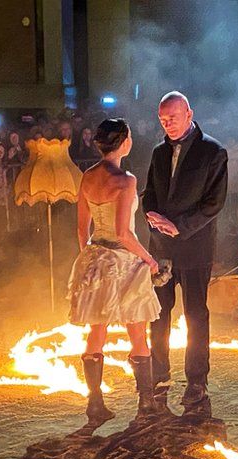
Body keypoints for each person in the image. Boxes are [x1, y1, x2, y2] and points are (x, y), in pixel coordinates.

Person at [67, 118, 161, 433]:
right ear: (123, 142)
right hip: (123, 262)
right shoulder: (125, 180)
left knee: (98, 330)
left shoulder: (88, 177)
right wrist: (148, 258)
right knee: (137, 331)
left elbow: (83, 229)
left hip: (96, 257)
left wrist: (89, 260)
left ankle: (95, 403)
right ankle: (146, 402)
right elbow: (123, 233)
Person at [141, 91, 228, 421]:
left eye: (173, 118)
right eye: (162, 119)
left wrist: (180, 226)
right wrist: (151, 215)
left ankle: (196, 381)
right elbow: (149, 191)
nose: (168, 124)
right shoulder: (158, 152)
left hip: (194, 247)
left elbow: (213, 203)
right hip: (161, 249)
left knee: (195, 314)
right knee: (158, 314)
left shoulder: (213, 152)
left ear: (189, 113)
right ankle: (159, 371)